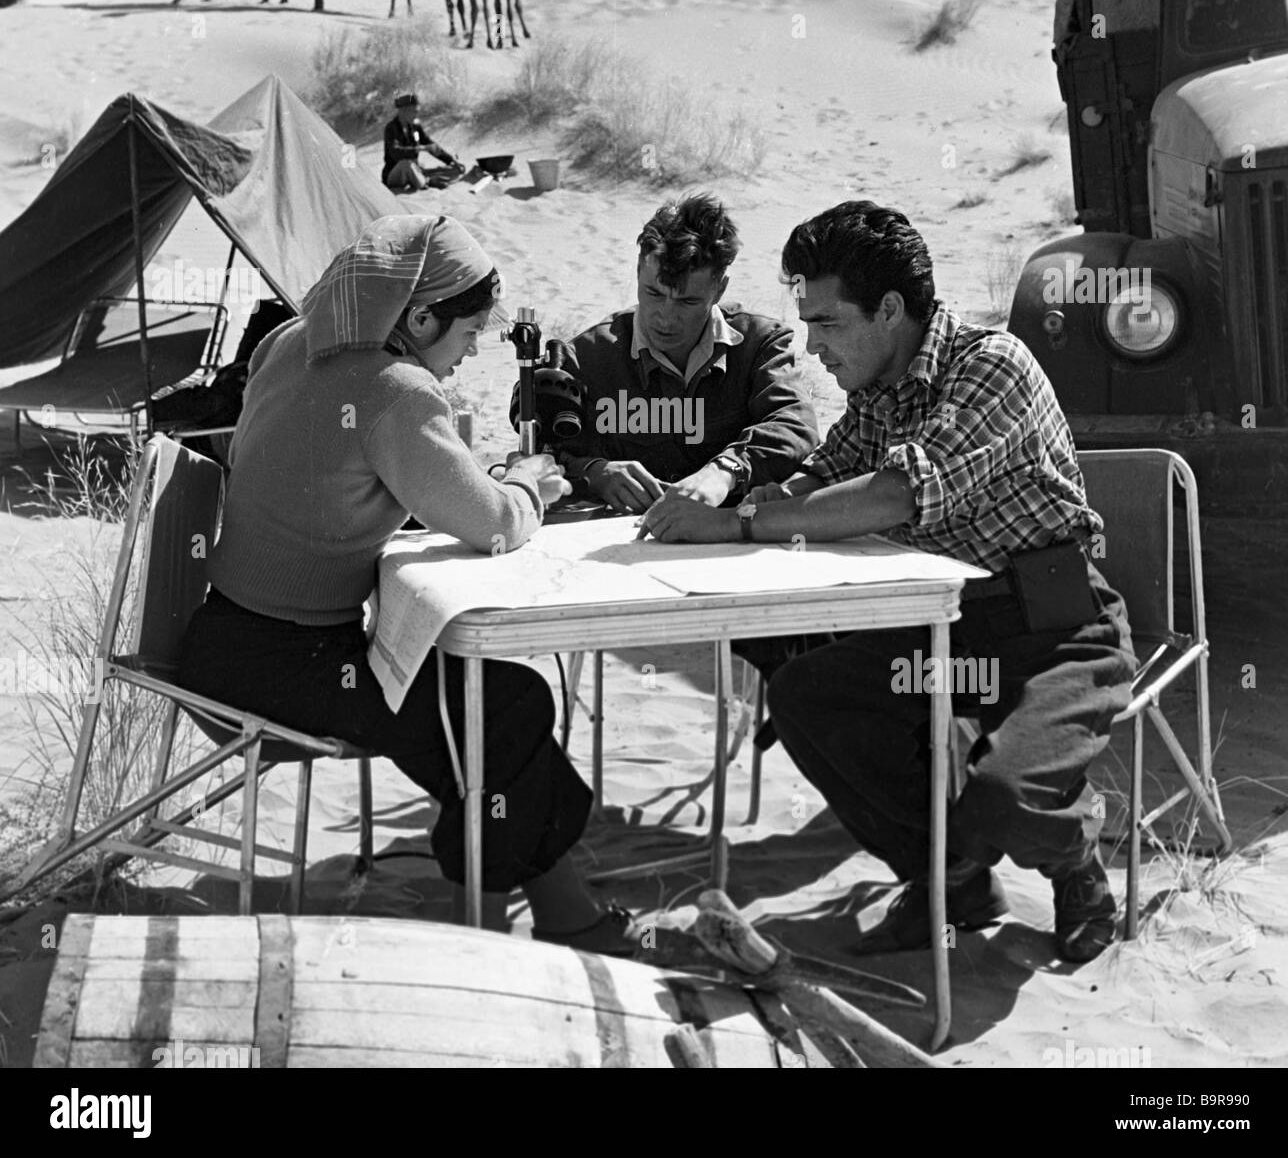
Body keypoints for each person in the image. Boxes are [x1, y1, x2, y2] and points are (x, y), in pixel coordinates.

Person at [638, 200, 1138, 964]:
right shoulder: (881, 385)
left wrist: (740, 527)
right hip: (946, 637)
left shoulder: (991, 365)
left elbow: (896, 493)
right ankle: (951, 882)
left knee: (1005, 801)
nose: (813, 345)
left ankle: (1077, 865)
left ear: (892, 309)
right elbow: (832, 468)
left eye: (828, 322)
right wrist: (757, 495)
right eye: (805, 323)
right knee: (812, 695)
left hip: (1057, 633)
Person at [178, 214, 633, 955]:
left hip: (224, 643)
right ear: (419, 317)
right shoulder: (396, 390)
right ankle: (485, 937)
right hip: (284, 670)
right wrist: (527, 482)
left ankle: (562, 911)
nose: (473, 350)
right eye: (467, 333)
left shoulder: (289, 341)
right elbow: (493, 524)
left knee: (478, 727)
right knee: (506, 707)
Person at [555, 193, 820, 514]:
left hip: (726, 537)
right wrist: (594, 472)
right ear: (638, 271)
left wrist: (726, 471)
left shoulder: (760, 345)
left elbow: (795, 425)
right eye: (653, 293)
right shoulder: (588, 358)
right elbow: (543, 454)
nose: (666, 317)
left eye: (687, 302)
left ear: (719, 289)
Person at [382, 93, 462, 192]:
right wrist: (419, 149)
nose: (416, 115)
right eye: (414, 112)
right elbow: (396, 153)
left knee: (454, 170)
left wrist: (450, 160)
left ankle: (423, 178)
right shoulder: (391, 128)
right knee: (406, 164)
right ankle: (427, 182)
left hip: (415, 170)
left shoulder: (415, 126)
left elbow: (430, 144)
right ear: (403, 111)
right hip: (394, 175)